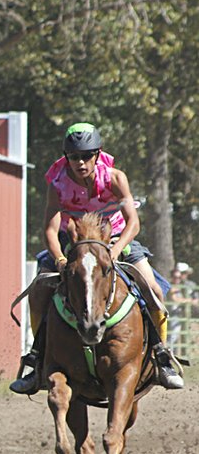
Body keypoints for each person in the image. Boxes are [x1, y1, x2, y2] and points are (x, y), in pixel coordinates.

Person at [10, 122, 183, 393]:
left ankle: (161, 356)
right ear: (66, 157)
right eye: (74, 157)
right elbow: (50, 230)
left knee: (154, 291)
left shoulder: (115, 178)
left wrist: (114, 251)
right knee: (38, 293)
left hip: (115, 240)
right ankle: (37, 360)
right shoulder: (57, 184)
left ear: (98, 154)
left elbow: (133, 223)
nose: (80, 162)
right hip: (73, 243)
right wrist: (60, 259)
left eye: (86, 156)